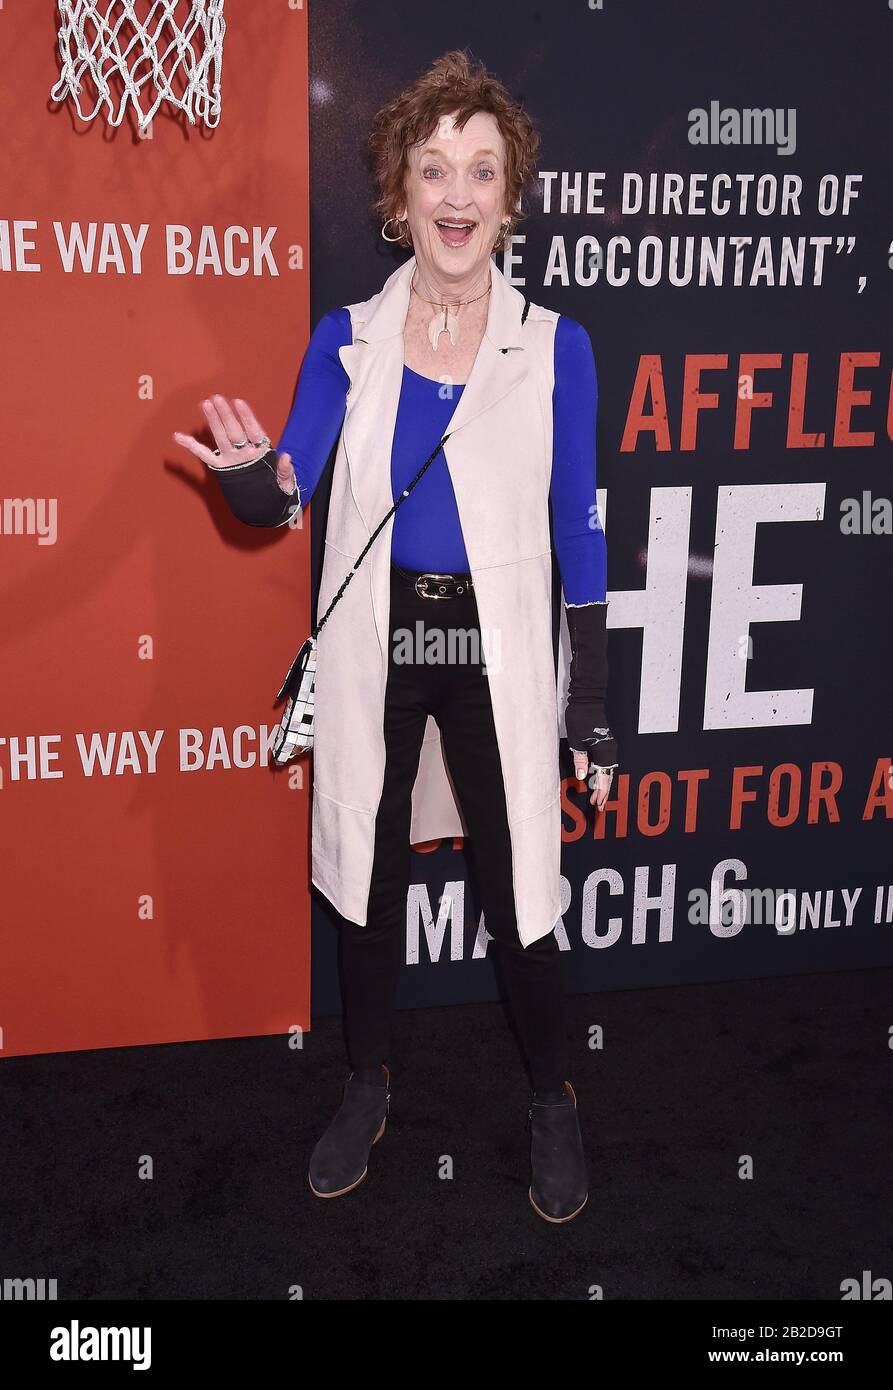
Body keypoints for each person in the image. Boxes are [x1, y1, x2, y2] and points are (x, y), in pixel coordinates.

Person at [173, 49, 619, 1225]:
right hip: (380, 644)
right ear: (400, 194)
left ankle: (550, 1098)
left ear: (508, 199)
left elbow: (577, 523)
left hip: (495, 650)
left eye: (481, 169)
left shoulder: (554, 346)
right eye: (433, 168)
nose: (457, 192)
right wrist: (239, 484)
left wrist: (592, 696)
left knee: (520, 884)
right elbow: (284, 491)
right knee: (361, 881)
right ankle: (365, 1083)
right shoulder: (345, 338)